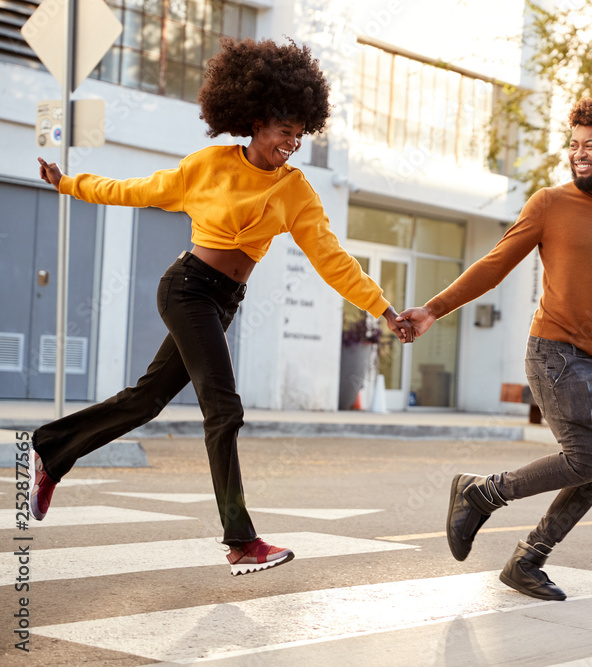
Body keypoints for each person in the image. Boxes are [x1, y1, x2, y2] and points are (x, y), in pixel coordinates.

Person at [30, 37, 413, 576]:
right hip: (186, 288)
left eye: (300, 135)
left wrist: (384, 308)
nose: (292, 143)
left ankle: (49, 448)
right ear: (256, 120)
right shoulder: (208, 166)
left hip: (223, 301)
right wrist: (71, 184)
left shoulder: (295, 191)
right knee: (224, 410)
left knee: (144, 401)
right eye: (286, 132)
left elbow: (331, 258)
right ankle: (240, 541)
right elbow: (138, 189)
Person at [398, 95, 592, 601]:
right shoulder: (549, 203)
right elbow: (496, 263)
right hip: (554, 352)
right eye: (574, 145)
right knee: (586, 458)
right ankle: (482, 493)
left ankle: (527, 560)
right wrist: (434, 309)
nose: (580, 153)